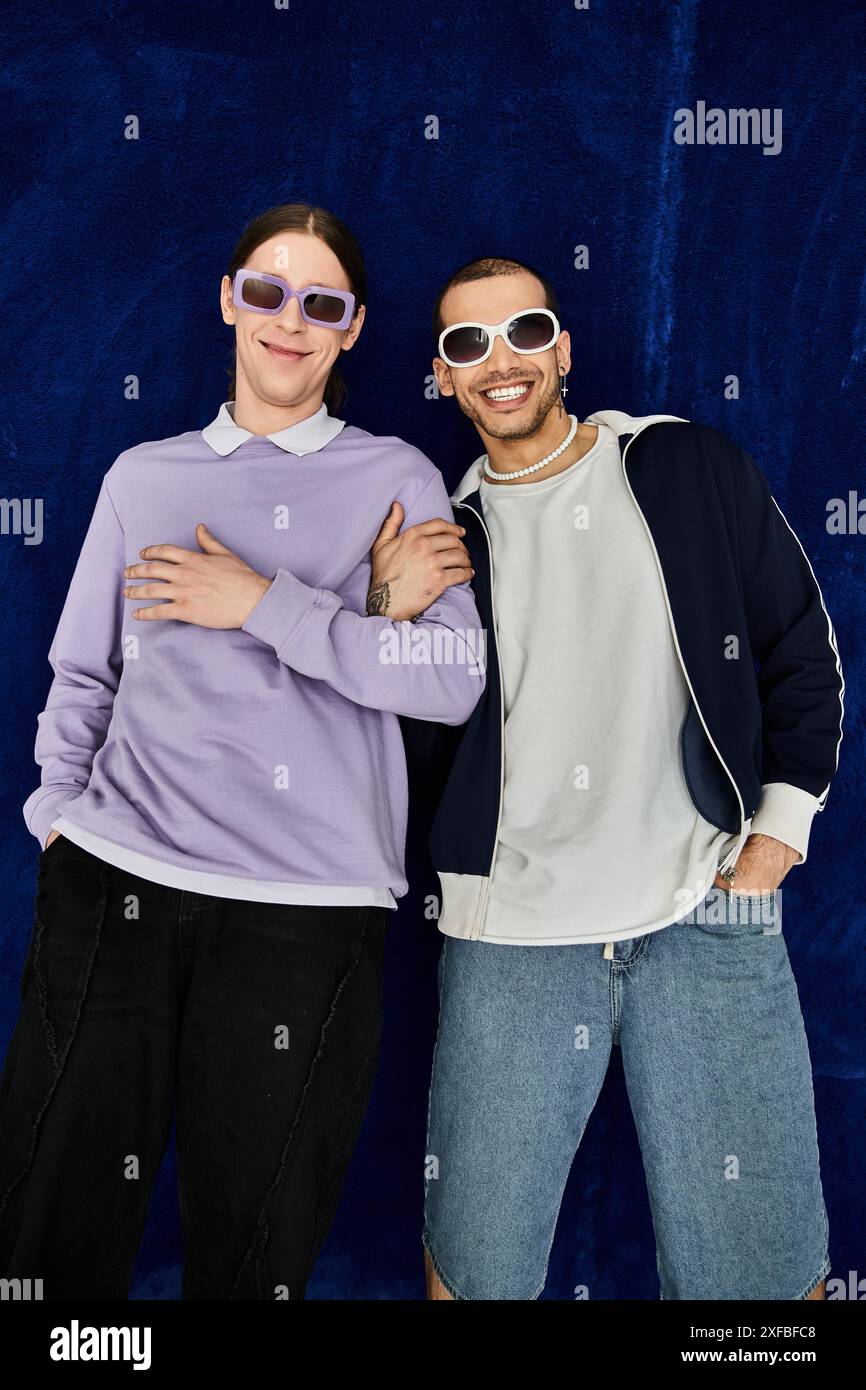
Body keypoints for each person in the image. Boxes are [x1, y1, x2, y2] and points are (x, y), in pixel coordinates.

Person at [0, 204, 484, 1300]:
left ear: (351, 329)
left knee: (254, 1247)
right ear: (229, 299)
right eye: (266, 291)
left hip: (305, 914)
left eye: (321, 303)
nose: (288, 321)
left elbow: (449, 682)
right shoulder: (143, 477)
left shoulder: (398, 478)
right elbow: (83, 674)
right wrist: (59, 820)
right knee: (48, 1231)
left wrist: (267, 603)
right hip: (115, 883)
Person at [376, 255, 843, 1300]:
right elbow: (398, 756)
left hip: (705, 919)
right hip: (511, 942)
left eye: (524, 331)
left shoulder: (680, 465)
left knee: (762, 1288)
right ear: (443, 378)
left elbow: (796, 647)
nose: (500, 362)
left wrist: (777, 831)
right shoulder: (441, 539)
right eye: (466, 344)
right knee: (473, 1273)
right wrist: (384, 616)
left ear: (563, 348)